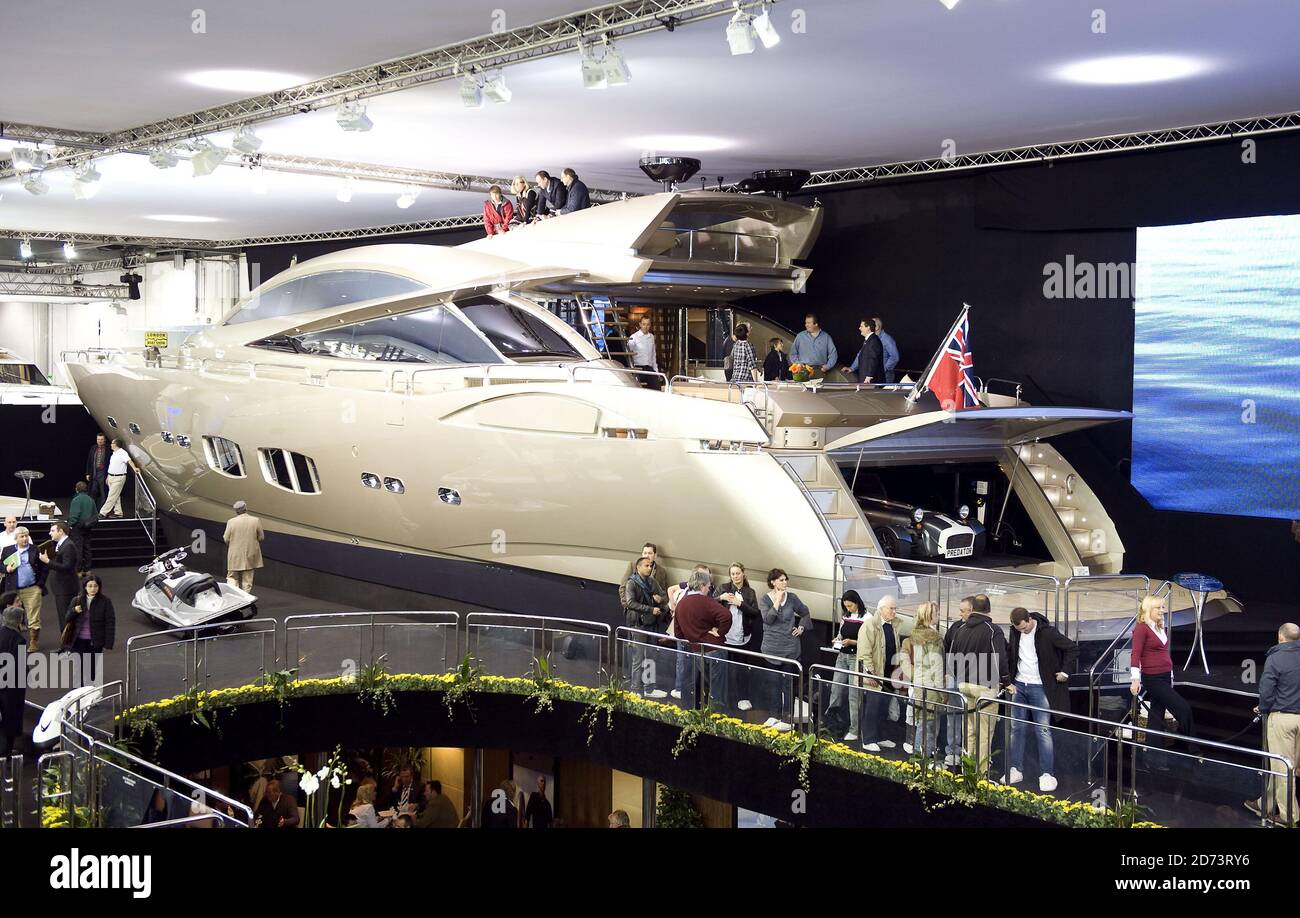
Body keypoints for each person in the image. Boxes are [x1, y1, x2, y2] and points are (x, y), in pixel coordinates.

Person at [1005, 606, 1079, 792]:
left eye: (1023, 628)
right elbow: (1011, 654)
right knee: (1016, 728)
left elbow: (1072, 648)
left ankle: (1047, 773)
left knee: (1043, 730)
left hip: (1040, 687)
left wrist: (1065, 672)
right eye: (1018, 629)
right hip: (1019, 685)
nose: (1021, 631)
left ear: (1029, 619)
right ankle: (1015, 768)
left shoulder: (1048, 633)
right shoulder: (1015, 631)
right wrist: (1008, 680)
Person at [948, 593, 1010, 773]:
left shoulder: (960, 629)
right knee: (984, 733)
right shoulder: (993, 630)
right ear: (989, 609)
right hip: (985, 687)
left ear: (973, 609)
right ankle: (980, 775)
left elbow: (951, 659)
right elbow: (1001, 658)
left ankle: (967, 770)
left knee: (968, 731)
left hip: (964, 685)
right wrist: (1006, 681)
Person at [1248, 622, 1300, 824]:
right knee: (1287, 768)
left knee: (1282, 769)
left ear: (1280, 637)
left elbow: (1267, 690)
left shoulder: (1275, 658)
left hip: (1283, 719)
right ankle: (1265, 804)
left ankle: (1288, 817)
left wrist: (1263, 707)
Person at [1130, 594, 1194, 755]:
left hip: (1164, 676)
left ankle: (1153, 756)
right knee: (1183, 709)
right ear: (1149, 609)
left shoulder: (1159, 626)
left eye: (1162, 607)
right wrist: (1135, 680)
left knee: (1155, 716)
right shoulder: (1141, 629)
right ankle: (1193, 749)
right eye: (1158, 607)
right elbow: (1135, 654)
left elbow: (1165, 653)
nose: (1162, 610)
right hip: (1153, 678)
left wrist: (1170, 676)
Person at [672, 568, 733, 709]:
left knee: (704, 686)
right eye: (708, 586)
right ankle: (717, 716)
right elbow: (726, 616)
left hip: (697, 651)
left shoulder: (681, 604)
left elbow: (678, 634)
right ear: (701, 586)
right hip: (715, 650)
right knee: (717, 688)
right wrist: (720, 631)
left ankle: (702, 714)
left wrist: (693, 635)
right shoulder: (706, 601)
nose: (708, 589)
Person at [758, 568, 811, 731]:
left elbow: (805, 613)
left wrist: (801, 627)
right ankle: (774, 715)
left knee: (788, 684)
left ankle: (787, 719)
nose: (784, 582)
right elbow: (767, 620)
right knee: (773, 683)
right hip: (771, 648)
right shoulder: (765, 599)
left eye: (785, 579)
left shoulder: (793, 598)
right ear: (773, 582)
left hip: (790, 649)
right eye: (781, 580)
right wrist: (777, 601)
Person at [856, 595, 905, 752]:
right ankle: (868, 739)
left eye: (895, 608)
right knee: (872, 707)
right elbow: (864, 653)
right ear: (881, 609)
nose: (894, 612)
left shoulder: (894, 625)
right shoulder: (869, 626)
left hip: (889, 675)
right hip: (875, 676)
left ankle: (880, 736)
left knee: (883, 707)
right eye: (891, 608)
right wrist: (870, 674)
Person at [714, 562, 760, 711]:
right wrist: (721, 598)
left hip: (742, 638)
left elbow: (755, 612)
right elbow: (709, 604)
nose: (735, 576)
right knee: (723, 669)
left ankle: (743, 698)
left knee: (741, 670)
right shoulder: (723, 588)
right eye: (732, 574)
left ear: (743, 574)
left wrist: (740, 603)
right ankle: (722, 698)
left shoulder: (750, 592)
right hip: (725, 636)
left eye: (738, 573)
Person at [903, 601, 946, 758]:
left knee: (923, 722)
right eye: (937, 613)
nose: (939, 616)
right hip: (932, 687)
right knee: (929, 724)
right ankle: (923, 761)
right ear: (930, 616)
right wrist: (942, 692)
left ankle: (919, 759)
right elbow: (936, 667)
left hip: (920, 685)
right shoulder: (933, 638)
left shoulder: (917, 634)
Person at [826, 590, 867, 740]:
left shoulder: (866, 618)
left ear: (857, 603)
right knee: (835, 689)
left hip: (855, 657)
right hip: (842, 655)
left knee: (853, 694)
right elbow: (840, 634)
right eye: (846, 606)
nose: (848, 608)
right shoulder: (846, 616)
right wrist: (837, 640)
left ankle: (855, 729)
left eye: (850, 606)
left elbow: (868, 642)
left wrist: (852, 642)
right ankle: (831, 723)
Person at [940, 595, 975, 765]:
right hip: (954, 678)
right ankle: (952, 750)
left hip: (975, 681)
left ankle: (972, 754)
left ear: (972, 610)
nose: (960, 614)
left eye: (963, 610)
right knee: (953, 716)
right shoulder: (955, 627)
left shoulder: (983, 629)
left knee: (973, 718)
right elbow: (945, 649)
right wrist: (946, 673)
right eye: (960, 610)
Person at [1, 527, 46, 651]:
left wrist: (40, 585)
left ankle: (34, 642)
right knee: (11, 616)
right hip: (13, 590)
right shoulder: (7, 550)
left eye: (26, 536)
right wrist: (6, 569)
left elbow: (44, 567)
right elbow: (1, 565)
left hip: (32, 589)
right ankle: (12, 641)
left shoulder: (35, 549)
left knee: (34, 617)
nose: (25, 538)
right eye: (22, 536)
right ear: (16, 538)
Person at [65, 574, 114, 684]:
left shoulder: (105, 601)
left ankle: (89, 692)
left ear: (99, 587)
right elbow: (67, 618)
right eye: (90, 586)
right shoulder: (77, 600)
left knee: (91, 670)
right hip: (78, 641)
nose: (93, 588)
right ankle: (77, 694)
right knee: (78, 669)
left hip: (95, 642)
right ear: (85, 587)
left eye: (95, 586)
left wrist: (108, 643)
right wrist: (74, 611)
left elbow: (110, 622)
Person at [40, 521, 79, 630]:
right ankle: (66, 644)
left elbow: (67, 567)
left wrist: (48, 561)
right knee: (63, 617)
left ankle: (68, 645)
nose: (49, 533)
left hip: (66, 589)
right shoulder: (61, 544)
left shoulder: (68, 546)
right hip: (61, 588)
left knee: (66, 617)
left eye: (52, 531)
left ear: (61, 531)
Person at [0, 599, 27, 757]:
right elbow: (20, 666)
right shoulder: (18, 640)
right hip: (12, 689)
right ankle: (7, 754)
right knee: (11, 719)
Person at [222, 500, 264, 592]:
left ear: (236, 511)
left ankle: (234, 597)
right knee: (247, 580)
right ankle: (246, 599)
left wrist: (233, 545)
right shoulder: (256, 520)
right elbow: (261, 537)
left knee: (232, 577)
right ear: (246, 508)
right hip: (250, 554)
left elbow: (226, 538)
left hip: (234, 554)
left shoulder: (231, 522)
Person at [617, 542, 669, 609]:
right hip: (635, 607)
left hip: (653, 610)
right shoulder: (633, 566)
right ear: (642, 554)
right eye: (645, 553)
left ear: (655, 555)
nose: (647, 556)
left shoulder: (661, 571)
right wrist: (627, 606)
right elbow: (623, 587)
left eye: (650, 553)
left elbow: (663, 592)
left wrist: (660, 599)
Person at [100, 437, 140, 518]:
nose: (110, 445)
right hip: (111, 477)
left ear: (115, 444)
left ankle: (102, 513)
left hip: (118, 478)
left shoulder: (122, 452)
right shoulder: (114, 453)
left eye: (112, 443)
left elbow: (129, 461)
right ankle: (118, 512)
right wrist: (108, 476)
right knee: (116, 496)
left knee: (111, 496)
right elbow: (112, 466)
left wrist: (134, 468)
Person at [788, 313, 837, 378]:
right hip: (802, 370)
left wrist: (827, 366)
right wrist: (798, 364)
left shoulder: (826, 337)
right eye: (806, 323)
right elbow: (792, 353)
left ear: (816, 324)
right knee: (803, 388)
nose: (806, 325)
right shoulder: (800, 336)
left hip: (819, 371)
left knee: (818, 388)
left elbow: (833, 354)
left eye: (808, 323)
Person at [66, 481, 97, 574]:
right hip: (88, 527)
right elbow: (95, 514)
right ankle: (87, 569)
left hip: (77, 528)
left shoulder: (76, 500)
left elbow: (74, 516)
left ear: (77, 489)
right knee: (87, 548)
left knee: (77, 549)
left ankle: (78, 570)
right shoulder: (91, 499)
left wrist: (69, 525)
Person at [843, 319, 884, 384]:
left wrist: (869, 376)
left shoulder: (873, 341)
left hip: (870, 381)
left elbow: (873, 359)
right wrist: (852, 368)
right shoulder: (869, 340)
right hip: (866, 380)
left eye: (861, 326)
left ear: (868, 328)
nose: (859, 328)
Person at [627, 315, 660, 387]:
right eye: (644, 324)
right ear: (640, 324)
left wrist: (656, 371)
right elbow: (628, 355)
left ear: (650, 325)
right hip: (638, 368)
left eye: (648, 324)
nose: (646, 326)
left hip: (649, 368)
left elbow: (653, 355)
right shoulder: (633, 337)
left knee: (657, 388)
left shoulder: (651, 337)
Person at [85, 432, 110, 507]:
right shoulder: (93, 447)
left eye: (101, 439)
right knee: (93, 490)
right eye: (98, 439)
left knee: (103, 492)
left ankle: (103, 510)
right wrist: (87, 473)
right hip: (94, 472)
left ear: (104, 440)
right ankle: (94, 507)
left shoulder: (108, 448)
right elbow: (89, 461)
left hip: (103, 473)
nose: (100, 441)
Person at [873, 317, 900, 383]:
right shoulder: (872, 339)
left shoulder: (887, 339)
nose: (868, 327)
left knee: (884, 393)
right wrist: (852, 368)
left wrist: (884, 369)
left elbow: (895, 357)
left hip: (885, 376)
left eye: (870, 325)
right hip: (875, 374)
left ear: (877, 327)